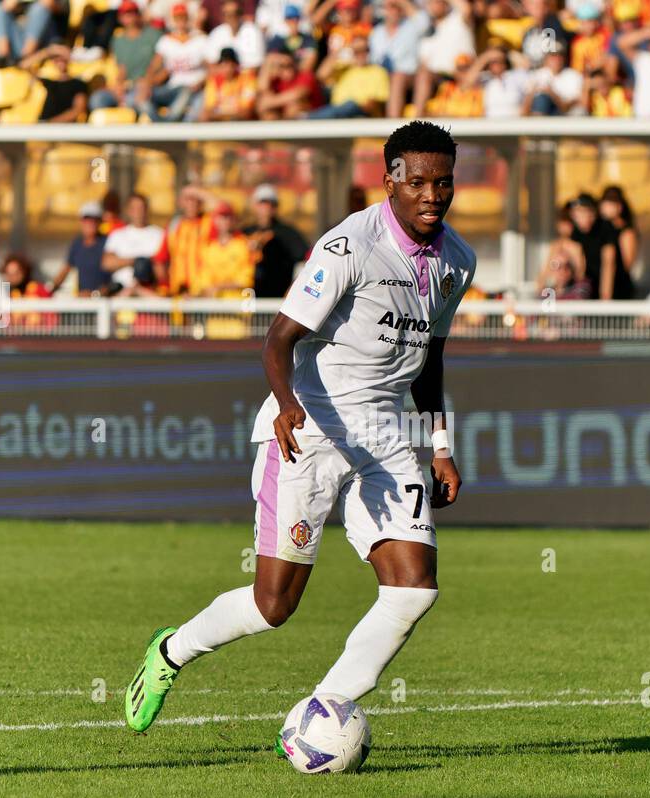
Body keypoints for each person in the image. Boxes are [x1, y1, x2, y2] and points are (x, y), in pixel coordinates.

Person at [122, 121, 476, 734]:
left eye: (442, 182)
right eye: (416, 181)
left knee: (414, 589)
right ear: (389, 180)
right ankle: (170, 652)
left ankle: (327, 709)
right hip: (311, 428)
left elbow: (431, 358)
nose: (431, 195)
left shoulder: (457, 260)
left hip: (388, 433)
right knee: (273, 605)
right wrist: (286, 403)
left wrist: (440, 445)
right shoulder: (350, 246)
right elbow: (279, 338)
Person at [246, 183, 309, 298]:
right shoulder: (245, 232)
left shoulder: (289, 233)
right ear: (254, 205)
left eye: (271, 203)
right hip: (248, 298)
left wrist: (294, 287)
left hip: (278, 299)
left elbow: (305, 260)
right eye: (263, 203)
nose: (267, 207)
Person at [155, 185, 214, 295]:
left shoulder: (208, 223)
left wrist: (200, 192)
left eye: (196, 199)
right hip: (178, 290)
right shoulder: (174, 225)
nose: (192, 204)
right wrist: (165, 285)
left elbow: (224, 208)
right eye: (188, 199)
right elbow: (160, 259)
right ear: (181, 202)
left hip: (202, 291)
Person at [102, 192, 165, 295]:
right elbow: (107, 263)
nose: (138, 212)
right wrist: (136, 261)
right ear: (128, 211)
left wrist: (147, 267)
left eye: (141, 208)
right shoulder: (117, 235)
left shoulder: (160, 235)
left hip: (149, 293)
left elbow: (163, 269)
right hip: (122, 293)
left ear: (147, 210)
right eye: (134, 208)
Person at [194, 200, 255, 297]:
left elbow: (245, 280)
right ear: (215, 220)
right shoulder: (209, 248)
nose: (226, 220)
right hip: (214, 308)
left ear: (235, 220)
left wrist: (218, 287)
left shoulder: (244, 246)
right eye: (222, 217)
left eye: (229, 217)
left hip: (237, 307)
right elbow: (203, 280)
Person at [50, 202, 111, 295]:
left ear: (100, 222)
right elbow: (65, 270)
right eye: (87, 219)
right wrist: (49, 288)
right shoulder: (77, 244)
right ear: (81, 221)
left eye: (95, 219)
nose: (91, 223)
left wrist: (94, 294)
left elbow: (115, 279)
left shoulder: (108, 242)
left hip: (104, 303)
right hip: (82, 301)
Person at [569, 194, 618, 299]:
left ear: (594, 213)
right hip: (588, 289)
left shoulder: (605, 227)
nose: (582, 217)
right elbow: (579, 266)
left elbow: (608, 264)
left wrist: (605, 301)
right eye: (578, 213)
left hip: (613, 291)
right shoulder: (575, 232)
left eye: (586, 212)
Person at [536, 202, 586, 295]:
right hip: (554, 291)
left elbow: (580, 274)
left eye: (568, 224)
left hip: (570, 291)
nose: (565, 227)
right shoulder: (554, 245)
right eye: (562, 223)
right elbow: (546, 270)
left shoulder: (576, 247)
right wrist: (540, 288)